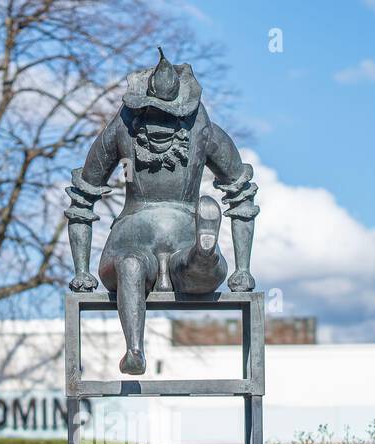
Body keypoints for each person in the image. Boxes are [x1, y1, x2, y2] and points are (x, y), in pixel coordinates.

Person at [65, 49, 260, 375]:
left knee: (167, 266)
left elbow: (241, 191)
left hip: (164, 231)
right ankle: (136, 348)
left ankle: (202, 251)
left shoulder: (201, 130)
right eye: (153, 113)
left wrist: (243, 268)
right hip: (141, 237)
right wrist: (82, 270)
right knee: (136, 266)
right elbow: (82, 197)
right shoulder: (123, 129)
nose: (160, 123)